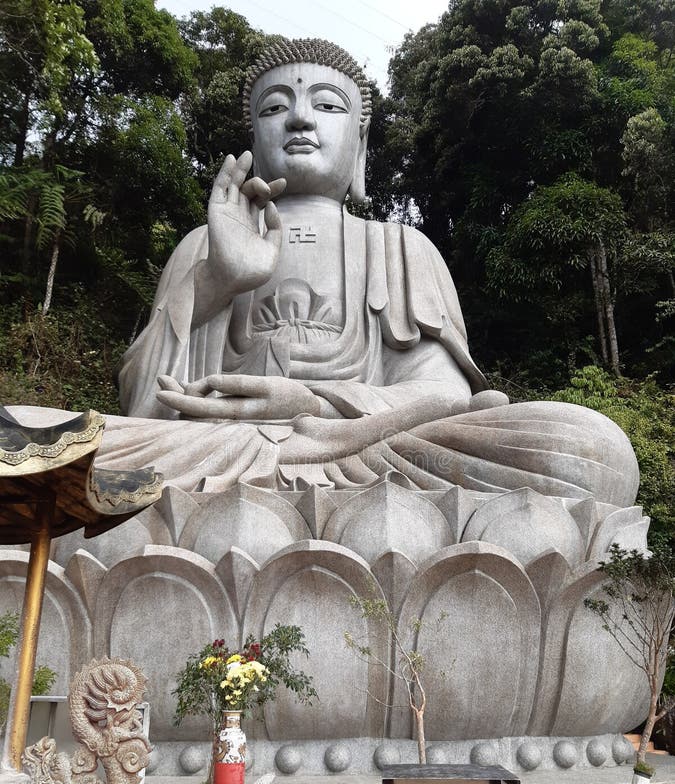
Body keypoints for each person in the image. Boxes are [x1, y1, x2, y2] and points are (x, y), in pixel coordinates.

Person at [48, 39, 640, 503]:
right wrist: (216, 281)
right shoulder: (203, 245)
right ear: (253, 134)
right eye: (275, 107)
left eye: (327, 105)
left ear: (360, 143)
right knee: (38, 441)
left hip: (359, 452)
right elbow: (144, 408)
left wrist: (307, 402)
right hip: (210, 449)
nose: (300, 120)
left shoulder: (401, 247)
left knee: (588, 449)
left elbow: (444, 396)